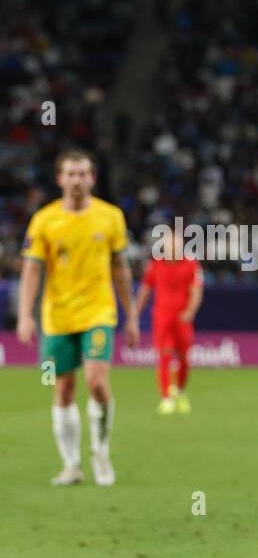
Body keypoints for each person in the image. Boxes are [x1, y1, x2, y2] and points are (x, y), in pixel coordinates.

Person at [17, 150, 138, 486]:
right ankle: (71, 464)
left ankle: (100, 452)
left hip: (99, 311)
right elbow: (31, 270)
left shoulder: (111, 217)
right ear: (59, 179)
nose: (77, 180)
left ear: (93, 179)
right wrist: (25, 315)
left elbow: (121, 269)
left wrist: (131, 317)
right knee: (64, 388)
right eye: (71, 174)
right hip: (56, 316)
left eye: (83, 174)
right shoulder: (44, 220)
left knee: (97, 383)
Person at [136, 228, 203, 415]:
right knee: (164, 357)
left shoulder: (191, 265)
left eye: (176, 244)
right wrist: (136, 313)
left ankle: (180, 391)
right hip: (162, 318)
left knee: (184, 358)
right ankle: (166, 398)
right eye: (169, 245)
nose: (172, 248)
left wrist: (190, 311)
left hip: (182, 319)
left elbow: (196, 291)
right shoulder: (155, 265)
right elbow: (145, 289)